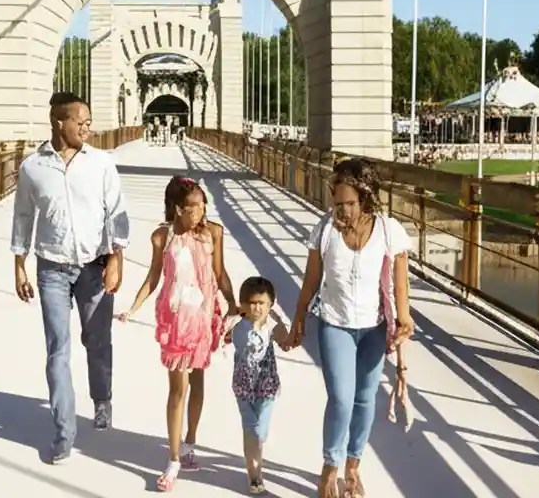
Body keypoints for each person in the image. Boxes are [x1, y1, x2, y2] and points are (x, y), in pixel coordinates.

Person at [11, 91, 130, 464]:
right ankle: (64, 433)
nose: (87, 128)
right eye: (81, 122)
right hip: (51, 269)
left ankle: (102, 399)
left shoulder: (101, 163)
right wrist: (19, 265)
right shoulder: (32, 167)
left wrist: (117, 260)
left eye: (89, 123)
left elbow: (116, 212)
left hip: (95, 267)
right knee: (57, 350)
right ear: (59, 122)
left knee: (97, 340)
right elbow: (23, 217)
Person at [287, 158, 413, 498]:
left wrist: (404, 319)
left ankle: (353, 467)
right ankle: (330, 466)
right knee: (341, 399)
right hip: (336, 324)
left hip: (374, 327)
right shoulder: (325, 230)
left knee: (364, 399)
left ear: (366, 199)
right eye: (337, 203)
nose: (342, 210)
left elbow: (400, 285)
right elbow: (311, 279)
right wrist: (299, 315)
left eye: (350, 203)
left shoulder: (388, 231)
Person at [116, 175, 237, 492]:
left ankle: (190, 444)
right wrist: (133, 308)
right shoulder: (162, 236)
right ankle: (172, 460)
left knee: (198, 382)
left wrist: (233, 304)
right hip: (175, 320)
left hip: (203, 317)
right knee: (177, 389)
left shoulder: (213, 233)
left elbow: (219, 273)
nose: (200, 211)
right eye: (193, 206)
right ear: (178, 208)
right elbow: (154, 276)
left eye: (203, 205)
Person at [222, 276, 290, 495]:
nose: (257, 308)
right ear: (243, 304)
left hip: (266, 386)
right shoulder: (237, 326)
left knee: (260, 432)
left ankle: (256, 463)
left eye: (262, 303)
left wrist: (278, 320)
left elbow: (286, 342)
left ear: (270, 304)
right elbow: (220, 336)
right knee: (251, 428)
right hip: (243, 385)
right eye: (252, 303)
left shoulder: (271, 326)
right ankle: (254, 475)